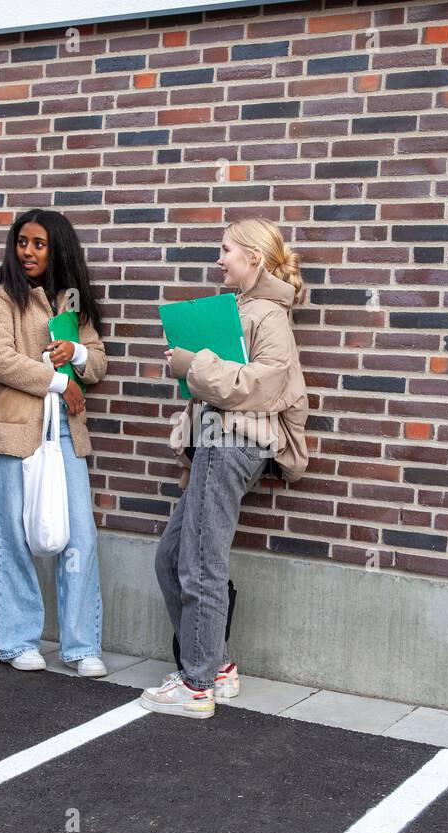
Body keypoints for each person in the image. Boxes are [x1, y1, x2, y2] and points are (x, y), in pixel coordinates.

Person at [142, 218, 310, 719]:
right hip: (215, 440)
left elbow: (265, 385)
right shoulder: (238, 308)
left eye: (226, 250)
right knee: (172, 558)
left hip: (234, 440)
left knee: (200, 560)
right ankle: (214, 667)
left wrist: (193, 366)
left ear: (253, 258)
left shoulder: (269, 315)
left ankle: (196, 686)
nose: (218, 259)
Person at [0, 209, 109, 676]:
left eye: (39, 244)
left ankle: (81, 645)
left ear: (58, 249)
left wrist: (78, 353)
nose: (27, 252)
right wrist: (57, 379)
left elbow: (97, 366)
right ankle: (17, 640)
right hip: (11, 432)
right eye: (22, 242)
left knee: (80, 538)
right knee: (11, 536)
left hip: (66, 435)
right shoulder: (3, 295)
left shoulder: (71, 298)